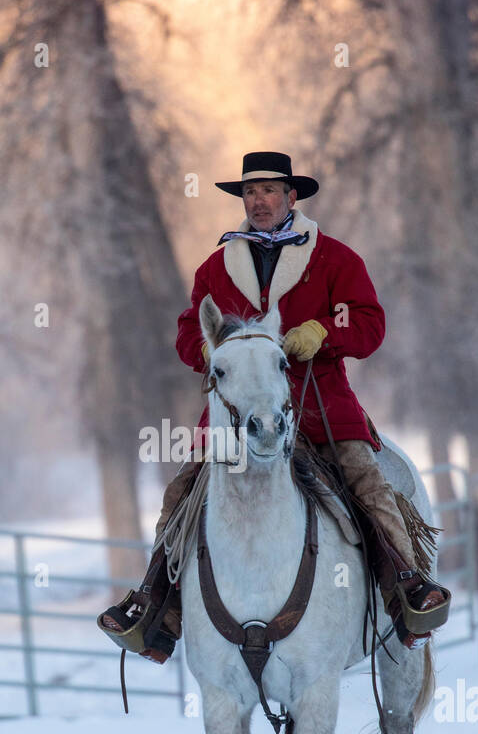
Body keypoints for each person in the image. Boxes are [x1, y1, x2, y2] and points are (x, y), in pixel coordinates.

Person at [98, 150, 449, 661]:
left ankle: (406, 591)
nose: (258, 201)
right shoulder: (216, 267)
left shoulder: (336, 259)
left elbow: (371, 325)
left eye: (268, 190)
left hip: (319, 406)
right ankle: (156, 610)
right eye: (249, 192)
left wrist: (322, 331)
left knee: (367, 483)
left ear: (291, 196)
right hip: (236, 415)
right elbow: (184, 330)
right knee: (181, 493)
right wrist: (207, 348)